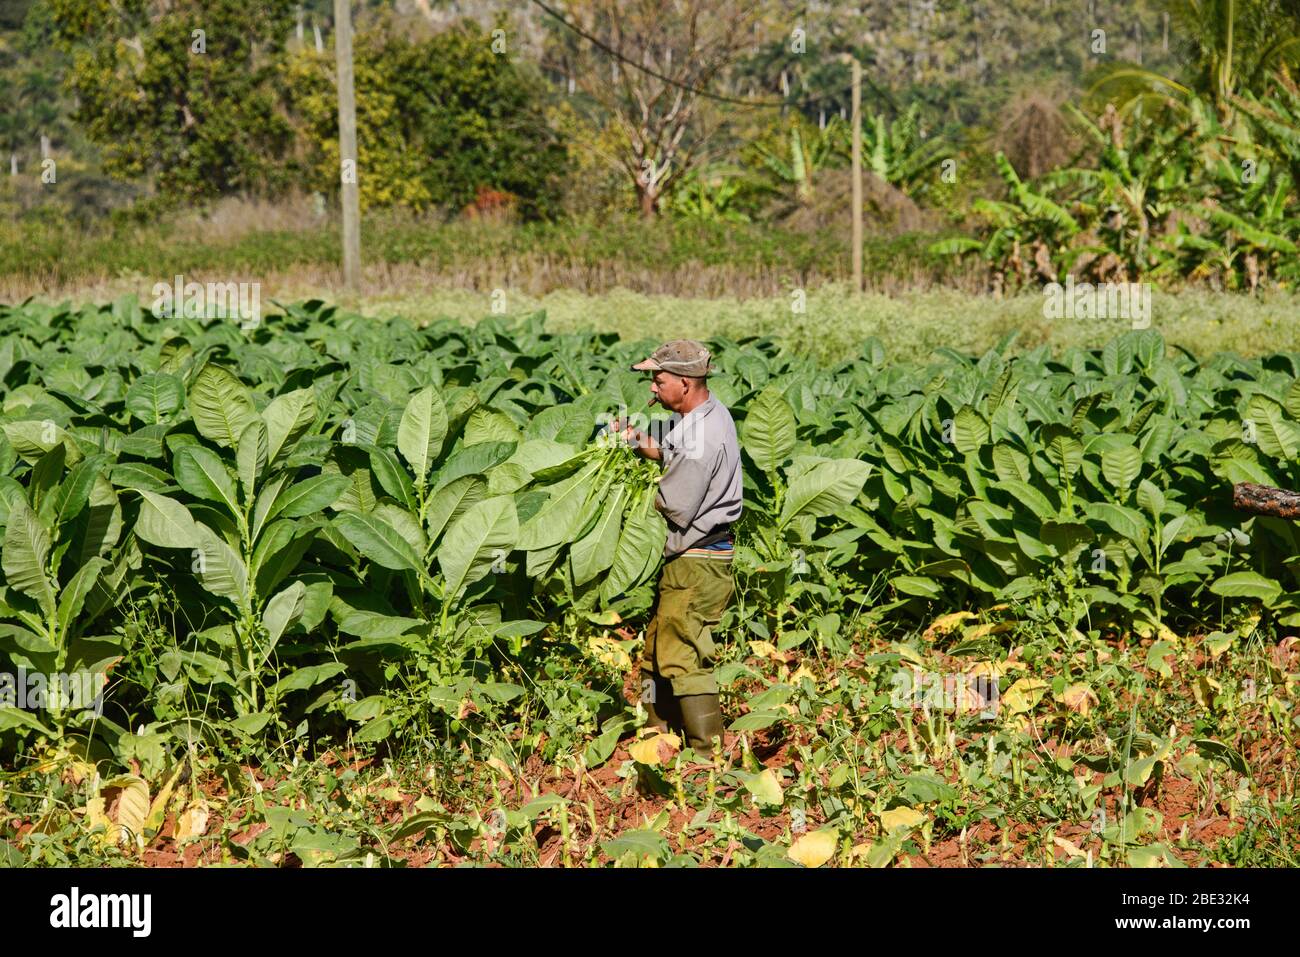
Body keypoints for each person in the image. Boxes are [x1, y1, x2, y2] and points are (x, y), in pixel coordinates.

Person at [616, 339, 743, 754]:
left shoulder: (701, 437)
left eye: (659, 379)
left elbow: (672, 506)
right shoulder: (702, 414)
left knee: (683, 655)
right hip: (691, 557)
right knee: (656, 649)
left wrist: (619, 507)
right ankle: (657, 738)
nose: (652, 388)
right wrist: (635, 440)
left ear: (685, 383)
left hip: (698, 561)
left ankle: (708, 755)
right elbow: (668, 451)